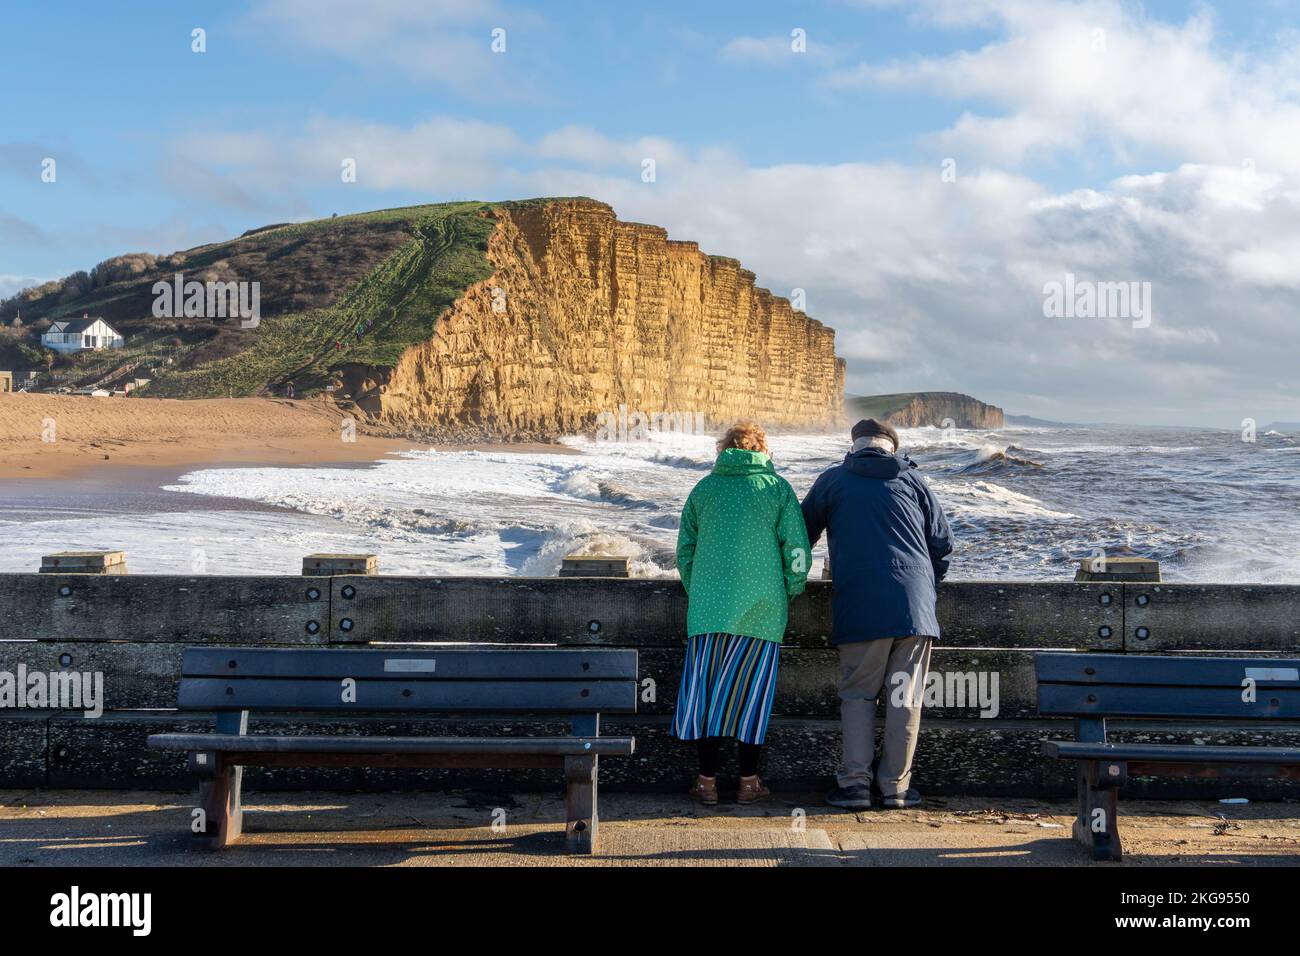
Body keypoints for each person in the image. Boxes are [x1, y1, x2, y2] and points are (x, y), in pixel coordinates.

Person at [801, 418, 953, 810]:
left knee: (858, 694)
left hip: (861, 605)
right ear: (893, 448)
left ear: (853, 448)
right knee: (906, 699)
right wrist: (923, 587)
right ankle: (896, 789)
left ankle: (854, 786)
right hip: (915, 610)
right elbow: (943, 543)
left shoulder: (833, 480)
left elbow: (802, 535)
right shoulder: (913, 481)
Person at [672, 421, 811, 805]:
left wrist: (698, 591)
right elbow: (797, 553)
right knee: (751, 698)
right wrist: (789, 591)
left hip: (708, 613)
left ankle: (706, 783)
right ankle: (749, 783)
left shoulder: (703, 489)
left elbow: (685, 552)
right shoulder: (777, 489)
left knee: (706, 698)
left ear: (725, 450)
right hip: (763, 613)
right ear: (762, 449)